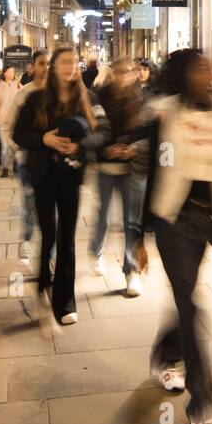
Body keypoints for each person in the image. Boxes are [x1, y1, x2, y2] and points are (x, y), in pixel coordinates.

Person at [137, 48, 212, 424]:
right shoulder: (164, 115)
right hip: (174, 220)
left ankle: (165, 353)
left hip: (209, 219)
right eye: (201, 69)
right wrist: (139, 234)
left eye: (211, 68)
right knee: (191, 306)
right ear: (183, 76)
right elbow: (152, 174)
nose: (210, 74)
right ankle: (202, 407)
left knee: (185, 302)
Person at [13, 45, 108, 326]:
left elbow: (104, 131)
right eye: (65, 62)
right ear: (53, 67)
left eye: (74, 62)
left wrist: (80, 145)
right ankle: (43, 284)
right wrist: (44, 140)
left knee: (67, 236)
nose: (70, 67)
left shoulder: (88, 98)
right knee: (49, 233)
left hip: (70, 174)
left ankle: (65, 302)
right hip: (43, 175)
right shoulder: (37, 98)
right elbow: (19, 133)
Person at [89, 59, 147, 295]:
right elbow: (94, 128)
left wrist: (133, 148)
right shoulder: (101, 96)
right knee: (102, 215)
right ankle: (96, 253)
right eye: (120, 71)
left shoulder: (143, 98)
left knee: (130, 222)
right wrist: (103, 150)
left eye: (130, 71)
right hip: (106, 167)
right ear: (114, 73)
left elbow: (147, 132)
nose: (125, 75)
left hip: (132, 169)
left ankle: (131, 272)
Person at [3, 48, 49, 265]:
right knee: (30, 202)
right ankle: (27, 240)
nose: (46, 68)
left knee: (51, 208)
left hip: (53, 161)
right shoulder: (25, 94)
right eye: (42, 63)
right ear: (33, 67)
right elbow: (7, 124)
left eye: (50, 63)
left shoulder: (64, 93)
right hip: (28, 161)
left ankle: (50, 253)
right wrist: (16, 148)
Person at [0, 65, 22, 178]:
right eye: (10, 72)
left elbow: (24, 100)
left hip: (15, 121)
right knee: (5, 146)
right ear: (5, 73)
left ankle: (17, 164)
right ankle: (5, 168)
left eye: (13, 72)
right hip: (2, 121)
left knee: (15, 145)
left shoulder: (18, 86)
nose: (12, 74)